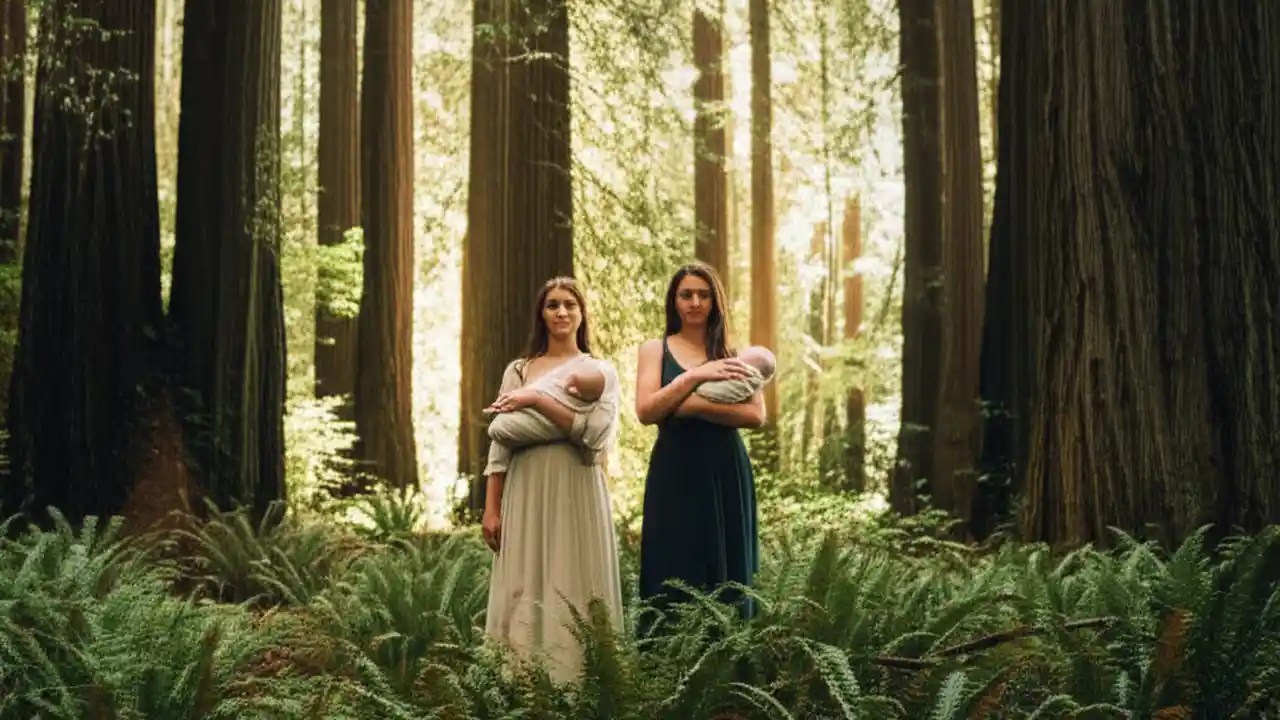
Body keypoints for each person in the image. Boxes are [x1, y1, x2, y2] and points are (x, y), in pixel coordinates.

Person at [481, 277, 623, 683]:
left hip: (576, 484)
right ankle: (524, 679)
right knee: (527, 576)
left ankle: (580, 678)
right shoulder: (520, 370)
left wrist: (539, 401)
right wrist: (492, 507)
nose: (561, 312)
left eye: (570, 305)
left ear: (581, 314)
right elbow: (501, 439)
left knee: (573, 576)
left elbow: (596, 437)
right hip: (526, 486)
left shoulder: (599, 372)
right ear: (541, 315)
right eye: (553, 305)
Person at [634, 262, 766, 633]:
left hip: (724, 466)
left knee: (726, 562)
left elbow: (755, 415)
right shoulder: (654, 349)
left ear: (715, 300)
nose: (695, 302)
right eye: (686, 294)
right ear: (674, 301)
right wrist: (695, 376)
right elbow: (646, 410)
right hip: (674, 468)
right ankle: (665, 658)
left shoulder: (732, 353)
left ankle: (728, 657)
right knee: (672, 556)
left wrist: (688, 405)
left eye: (703, 295)